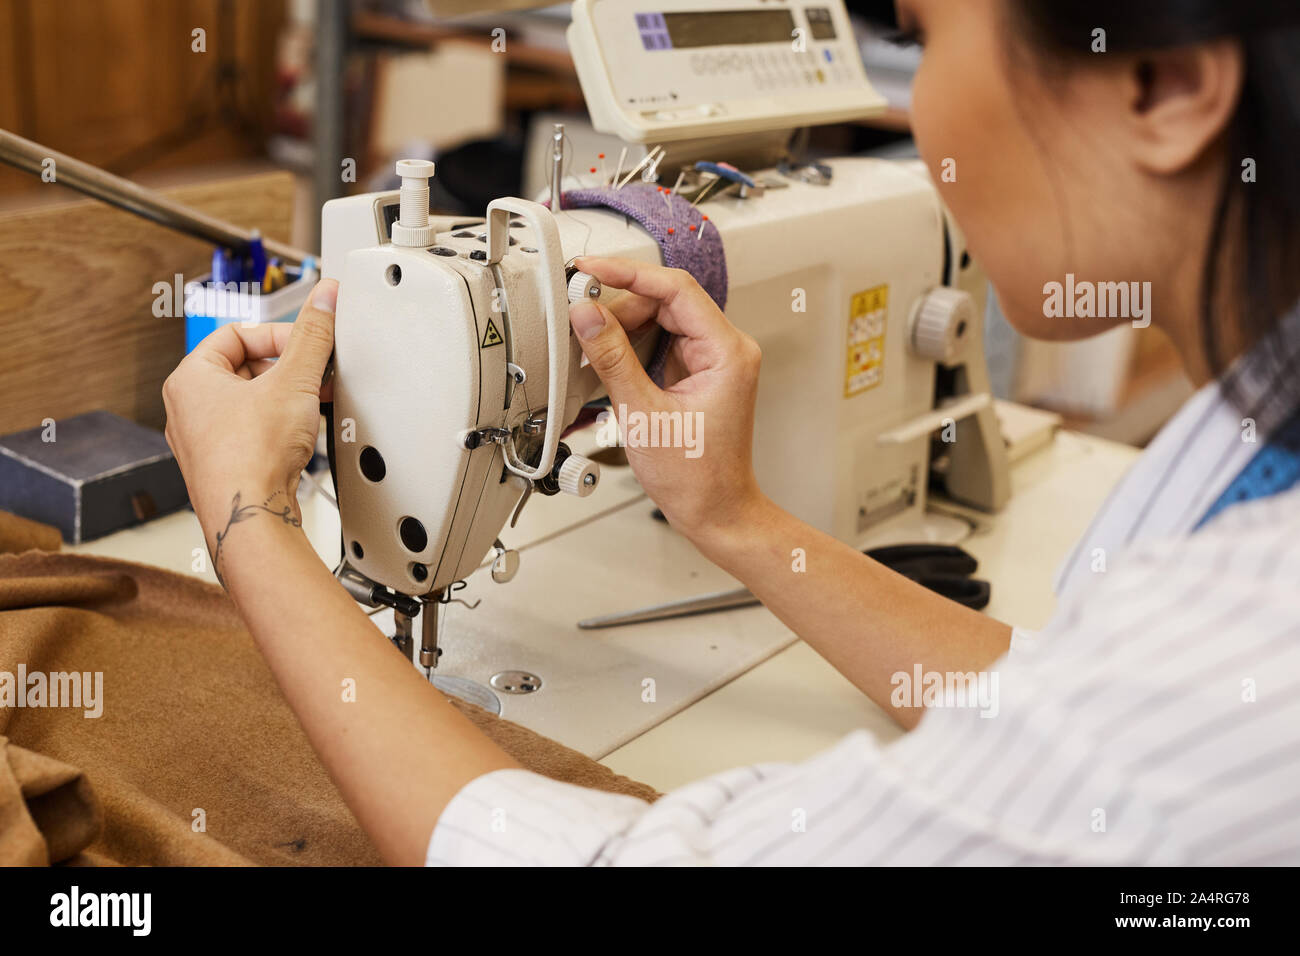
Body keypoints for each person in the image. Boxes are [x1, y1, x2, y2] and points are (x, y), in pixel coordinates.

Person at [162, 0, 1300, 865]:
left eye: (926, 36)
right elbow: (1049, 699)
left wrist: (248, 518)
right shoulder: (1247, 463)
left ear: (1161, 89)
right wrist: (736, 517)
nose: (923, 113)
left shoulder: (1240, 668)